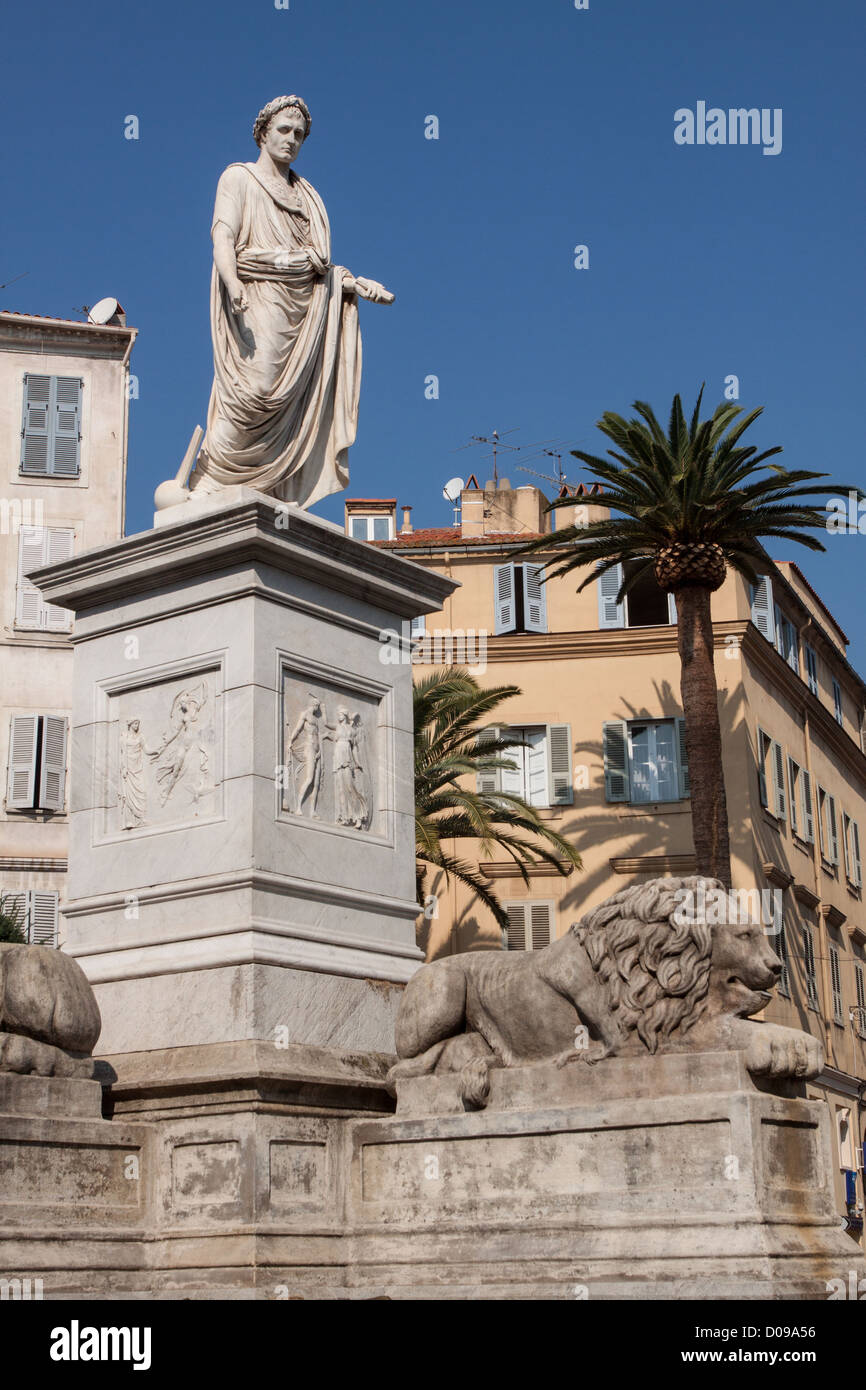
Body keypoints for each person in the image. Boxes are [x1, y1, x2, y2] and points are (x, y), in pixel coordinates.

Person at [190, 94, 393, 507]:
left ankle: (270, 484)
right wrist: (231, 283)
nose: (292, 139)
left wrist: (351, 285)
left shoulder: (309, 197)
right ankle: (210, 476)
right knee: (256, 390)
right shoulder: (238, 178)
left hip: (303, 312)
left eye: (299, 134)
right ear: (263, 133)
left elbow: (320, 268)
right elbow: (223, 236)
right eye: (284, 130)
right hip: (256, 296)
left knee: (291, 402)